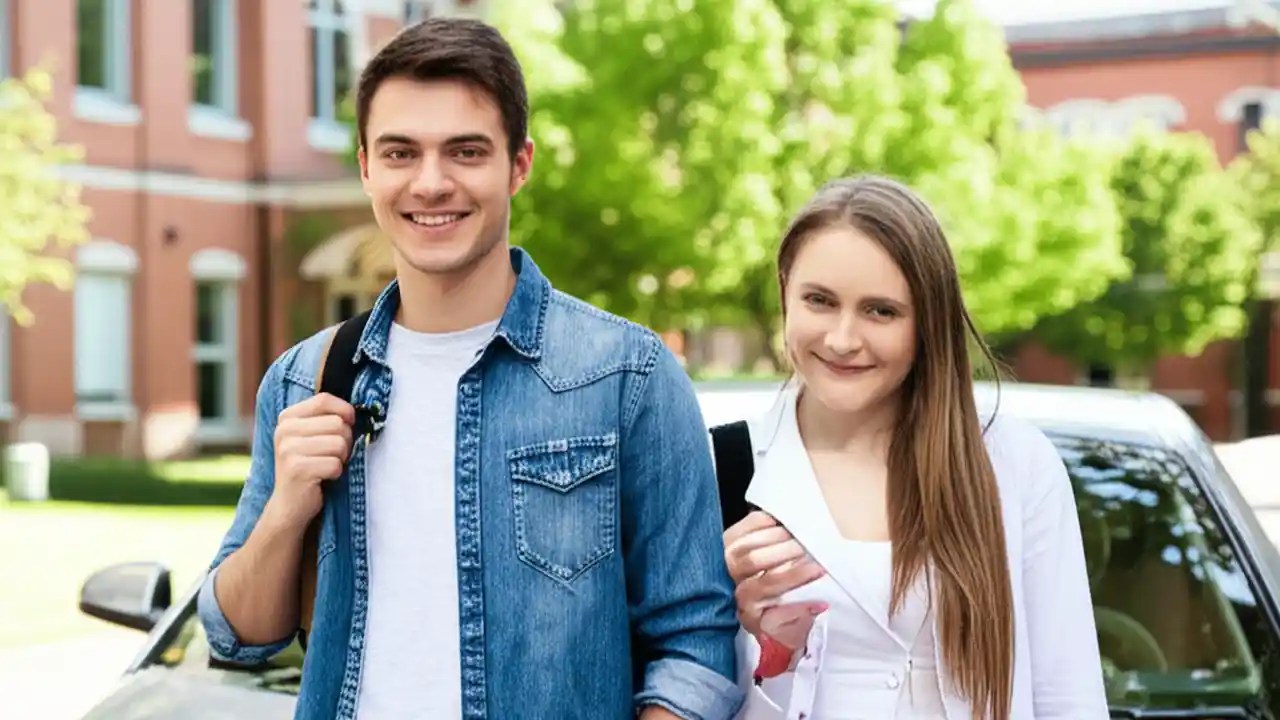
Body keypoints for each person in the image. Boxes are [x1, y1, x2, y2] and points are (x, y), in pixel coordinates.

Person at [196, 17, 743, 720]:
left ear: (519, 164)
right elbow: (238, 634)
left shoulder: (628, 377)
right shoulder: (306, 378)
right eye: (400, 153)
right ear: (365, 166)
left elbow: (695, 645)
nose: (431, 183)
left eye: (465, 151)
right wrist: (284, 514)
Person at [718, 176, 1108, 719]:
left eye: (881, 311)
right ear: (785, 290)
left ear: (928, 321)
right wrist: (769, 655)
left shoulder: (1015, 464)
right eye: (820, 301)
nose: (842, 339)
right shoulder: (723, 470)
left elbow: (1069, 697)